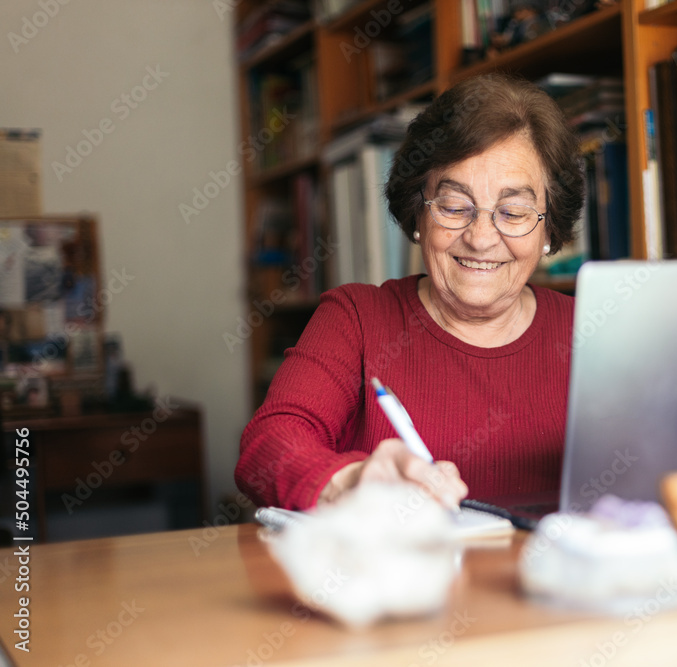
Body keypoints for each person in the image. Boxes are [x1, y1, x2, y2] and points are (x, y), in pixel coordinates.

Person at [235, 74, 585, 511]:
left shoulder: (590, 332)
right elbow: (267, 446)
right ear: (418, 214)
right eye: (455, 207)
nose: (480, 237)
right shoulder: (358, 318)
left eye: (512, 212)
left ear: (548, 229)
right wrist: (349, 482)